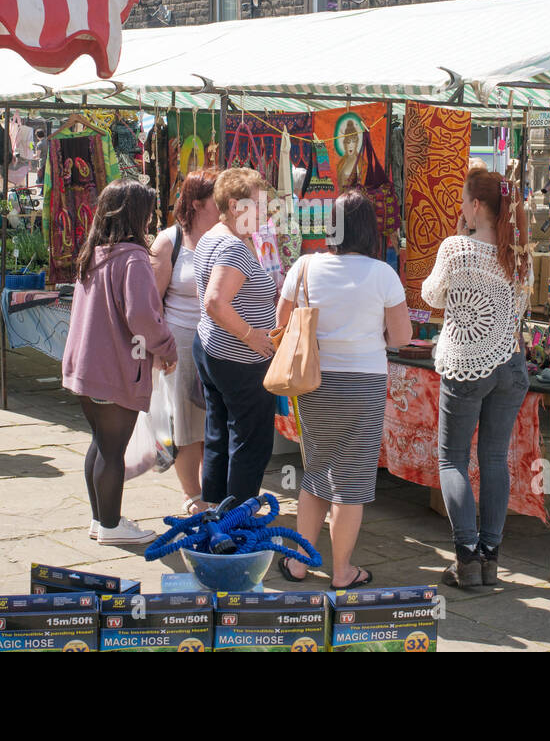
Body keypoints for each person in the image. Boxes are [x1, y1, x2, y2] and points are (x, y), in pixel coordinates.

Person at [276, 191, 411, 589]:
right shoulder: (382, 274)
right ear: (369, 229)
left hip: (314, 382)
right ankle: (342, 571)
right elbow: (401, 336)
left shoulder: (304, 267)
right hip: (364, 383)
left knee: (315, 470)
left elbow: (281, 322)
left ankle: (300, 563)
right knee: (350, 481)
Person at [422, 168, 532, 589]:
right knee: (493, 460)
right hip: (511, 363)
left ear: (477, 206)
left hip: (467, 361)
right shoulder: (517, 254)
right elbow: (519, 305)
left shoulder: (456, 249)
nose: (462, 208)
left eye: (465, 200)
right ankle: (491, 558)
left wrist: (456, 239)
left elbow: (432, 295)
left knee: (453, 459)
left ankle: (466, 558)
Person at [63, 180, 177, 546]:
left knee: (101, 445)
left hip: (85, 367)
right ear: (136, 214)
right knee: (111, 450)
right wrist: (167, 347)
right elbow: (142, 316)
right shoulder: (133, 259)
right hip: (115, 368)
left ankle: (102, 521)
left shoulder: (93, 253)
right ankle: (110, 526)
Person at [192, 167, 279, 505]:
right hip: (237, 357)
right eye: (258, 206)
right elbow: (214, 301)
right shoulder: (233, 247)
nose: (265, 213)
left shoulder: (215, 235)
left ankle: (215, 503)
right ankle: (238, 513)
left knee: (219, 430)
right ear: (234, 204)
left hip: (214, 349)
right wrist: (250, 335)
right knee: (251, 438)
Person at [150, 170, 220, 516]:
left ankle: (216, 491)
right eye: (216, 199)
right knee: (188, 424)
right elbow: (152, 301)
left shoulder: (227, 238)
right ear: (196, 204)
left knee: (215, 421)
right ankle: (193, 495)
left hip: (221, 342)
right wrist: (158, 349)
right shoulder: (169, 241)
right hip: (180, 342)